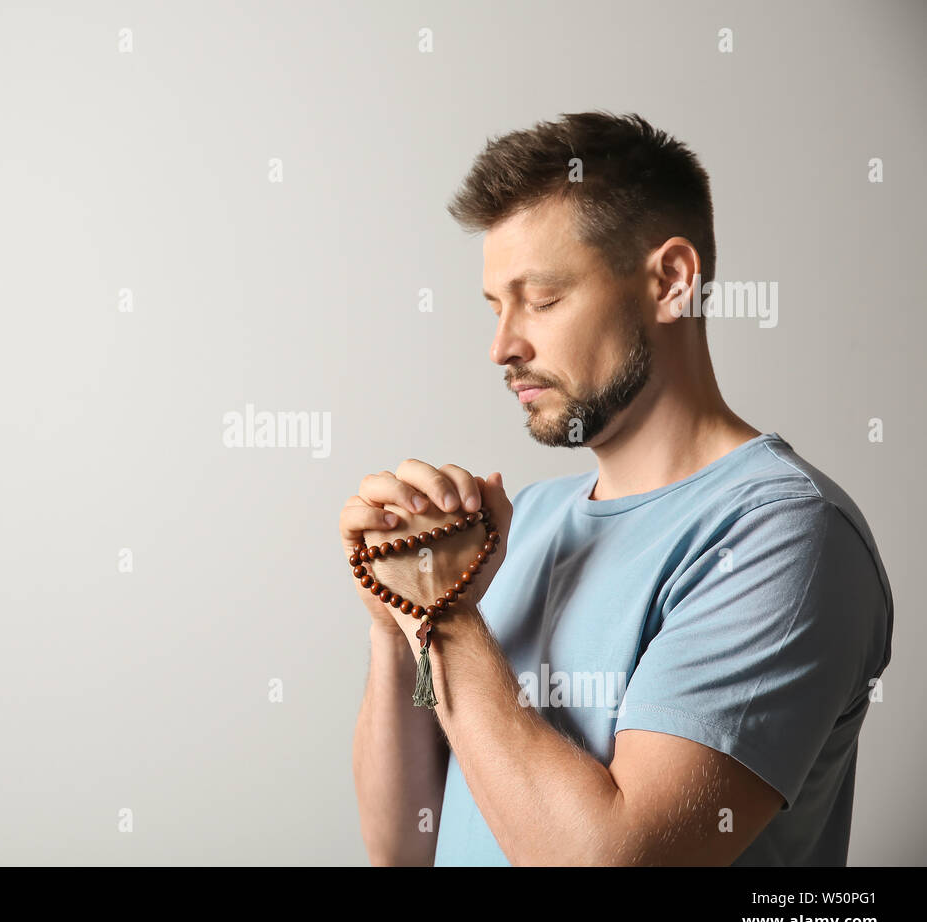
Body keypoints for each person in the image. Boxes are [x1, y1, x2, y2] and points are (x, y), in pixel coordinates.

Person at [343, 111, 893, 866]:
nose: (503, 346)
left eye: (540, 298)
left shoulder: (782, 535)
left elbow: (615, 859)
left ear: (671, 281)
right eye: (494, 307)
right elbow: (402, 847)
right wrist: (399, 621)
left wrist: (449, 611)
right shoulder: (524, 521)